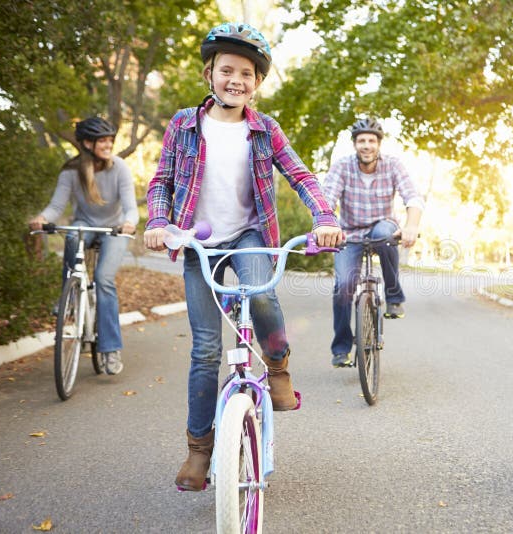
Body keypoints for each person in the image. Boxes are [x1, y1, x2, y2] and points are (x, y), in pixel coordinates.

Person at [143, 22, 342, 492]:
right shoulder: (183, 124)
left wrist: (324, 218)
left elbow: (301, 176)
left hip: (250, 235)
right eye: (227, 69)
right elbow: (160, 183)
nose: (236, 79)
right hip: (198, 242)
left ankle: (276, 366)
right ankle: (199, 450)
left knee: (264, 298)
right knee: (206, 350)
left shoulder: (264, 129)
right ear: (209, 74)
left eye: (247, 73)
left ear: (257, 82)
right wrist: (157, 223)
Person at [29, 116, 138, 375]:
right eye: (103, 140)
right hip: (84, 224)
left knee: (104, 279)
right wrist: (42, 219)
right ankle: (68, 296)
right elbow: (57, 206)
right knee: (70, 236)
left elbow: (131, 207)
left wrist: (129, 223)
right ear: (87, 143)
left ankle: (110, 349)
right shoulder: (70, 172)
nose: (109, 144)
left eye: (110, 140)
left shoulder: (120, 168)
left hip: (113, 229)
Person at [321, 117, 424, 368]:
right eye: (361, 141)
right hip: (349, 234)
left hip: (383, 225)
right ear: (355, 144)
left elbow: (413, 197)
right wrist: (325, 225)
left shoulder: (393, 165)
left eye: (371, 140)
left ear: (378, 144)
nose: (366, 145)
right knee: (344, 285)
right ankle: (342, 348)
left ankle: (393, 295)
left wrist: (411, 226)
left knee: (384, 236)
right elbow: (327, 199)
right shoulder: (343, 166)